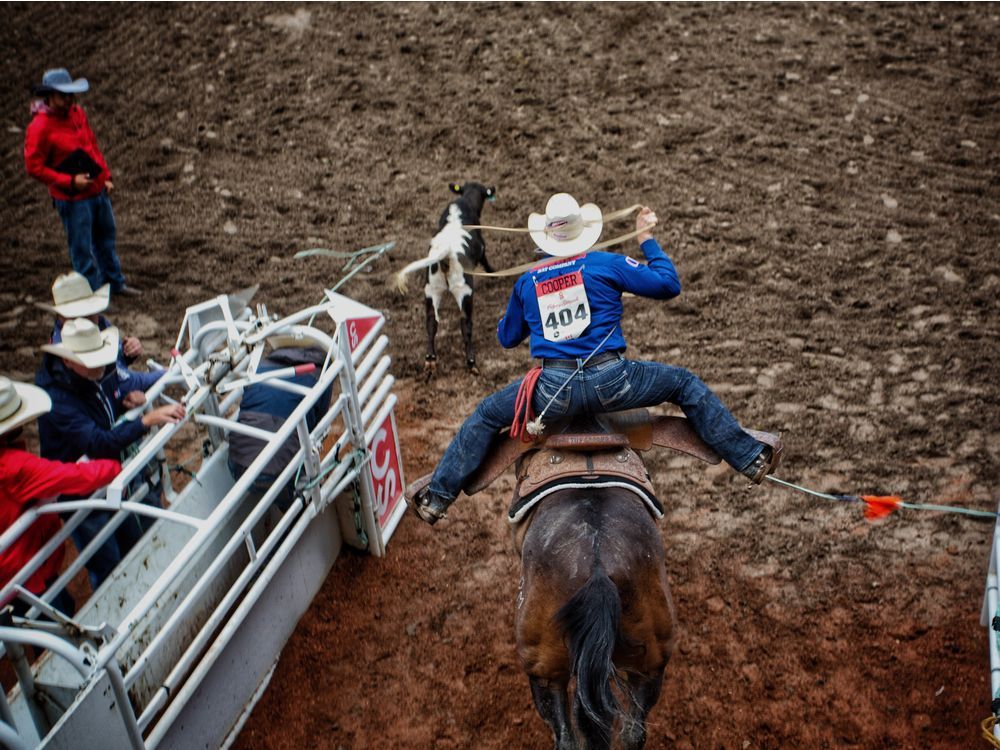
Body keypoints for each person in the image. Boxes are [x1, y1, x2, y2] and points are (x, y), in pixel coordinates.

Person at [406, 193, 782, 524]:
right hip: (614, 381)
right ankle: (747, 458)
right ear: (581, 232)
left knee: (487, 415)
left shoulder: (528, 280)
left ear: (546, 238)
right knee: (684, 385)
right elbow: (669, 284)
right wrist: (645, 238)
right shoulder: (606, 264)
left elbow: (506, 338)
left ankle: (438, 498)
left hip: (551, 391)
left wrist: (521, 304)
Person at [35, 318, 184, 588]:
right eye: (90, 359)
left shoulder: (87, 375)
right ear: (68, 361)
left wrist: (125, 404)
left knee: (129, 542)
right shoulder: (57, 399)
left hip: (106, 477)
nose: (100, 365)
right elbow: (98, 442)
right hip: (81, 492)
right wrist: (144, 421)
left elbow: (110, 401)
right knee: (107, 562)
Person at [0, 376, 121, 616]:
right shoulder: (14, 467)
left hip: (17, 568)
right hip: (22, 573)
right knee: (53, 623)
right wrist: (116, 467)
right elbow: (71, 477)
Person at [23, 68, 141, 298]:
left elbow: (91, 145)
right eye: (62, 96)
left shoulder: (77, 114)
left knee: (106, 239)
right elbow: (33, 167)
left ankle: (114, 283)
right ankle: (93, 294)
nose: (68, 100)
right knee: (81, 248)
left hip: (96, 191)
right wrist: (69, 181)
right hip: (72, 198)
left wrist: (105, 176)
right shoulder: (39, 127)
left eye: (70, 95)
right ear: (49, 96)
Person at [227, 341, 333, 511]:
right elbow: (318, 422)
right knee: (292, 495)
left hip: (237, 465)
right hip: (281, 472)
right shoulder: (320, 376)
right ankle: (293, 517)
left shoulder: (260, 367)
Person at [38, 271, 164, 406]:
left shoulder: (94, 323)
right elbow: (112, 381)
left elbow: (115, 363)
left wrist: (128, 352)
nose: (93, 316)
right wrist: (163, 374)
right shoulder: (68, 345)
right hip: (109, 398)